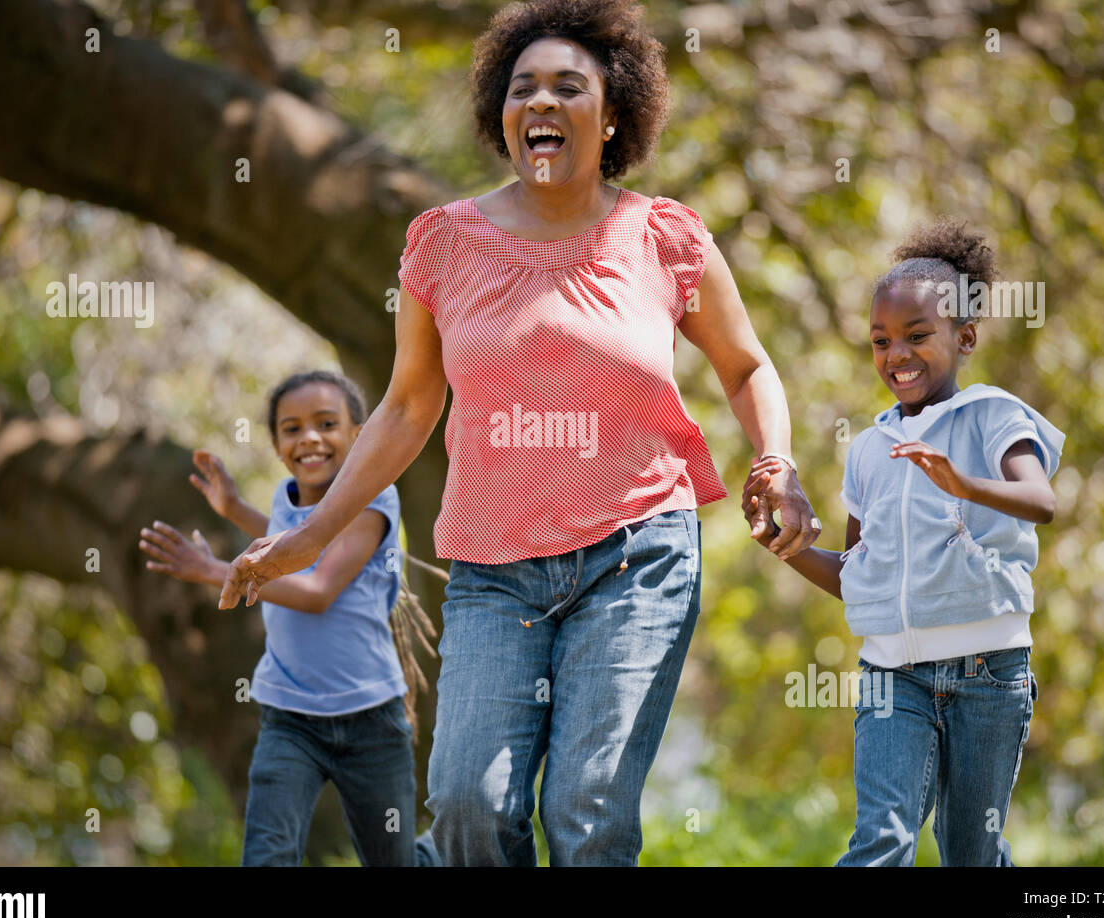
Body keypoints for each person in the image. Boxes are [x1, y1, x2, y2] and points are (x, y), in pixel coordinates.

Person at [218, 0, 817, 866]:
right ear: (502, 115)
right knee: (467, 807)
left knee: (588, 810)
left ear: (611, 115)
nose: (540, 102)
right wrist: (305, 536)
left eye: (568, 87)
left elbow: (746, 366)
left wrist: (778, 462)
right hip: (494, 573)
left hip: (636, 555)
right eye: (522, 87)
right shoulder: (443, 244)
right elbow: (405, 409)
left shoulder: (663, 237)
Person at [745, 217, 1064, 866]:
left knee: (970, 851)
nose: (898, 355)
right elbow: (859, 572)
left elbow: (1041, 501)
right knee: (882, 841)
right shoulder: (866, 451)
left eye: (918, 336)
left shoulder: (993, 416)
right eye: (881, 340)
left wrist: (963, 483)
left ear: (965, 336)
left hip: (990, 673)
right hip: (892, 678)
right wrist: (785, 546)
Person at [139, 370, 437, 866]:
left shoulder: (374, 498)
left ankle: (445, 852)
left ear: (360, 435)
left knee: (394, 861)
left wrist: (215, 570)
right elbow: (292, 543)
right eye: (292, 428)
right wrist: (234, 509)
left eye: (326, 423)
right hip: (290, 716)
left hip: (370, 719)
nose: (310, 438)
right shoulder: (285, 498)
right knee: (267, 853)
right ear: (277, 445)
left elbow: (319, 588)